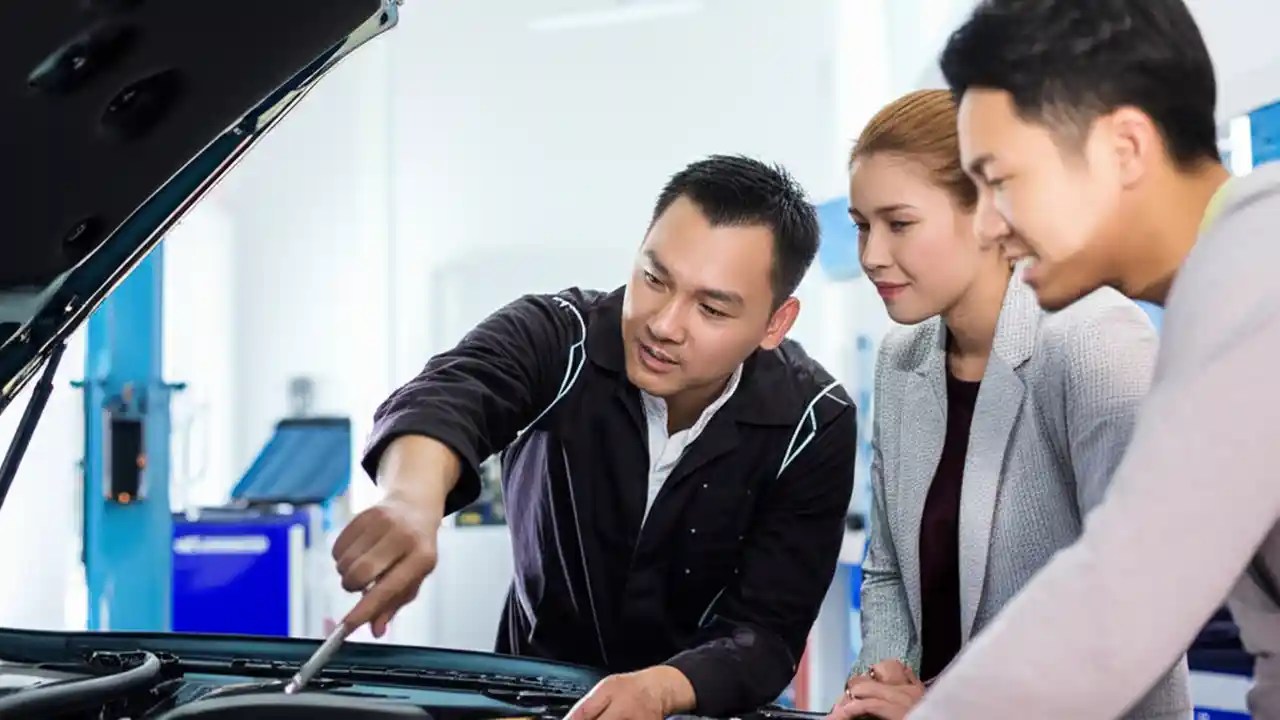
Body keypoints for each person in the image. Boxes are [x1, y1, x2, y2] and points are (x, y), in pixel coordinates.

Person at [331, 154, 858, 719]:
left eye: (710, 308)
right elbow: (452, 392)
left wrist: (658, 691)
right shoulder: (560, 337)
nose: (663, 325)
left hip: (692, 710)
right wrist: (412, 501)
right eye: (654, 279)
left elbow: (767, 631)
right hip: (531, 701)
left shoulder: (813, 421)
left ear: (775, 323)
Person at [903, 0, 1280, 717]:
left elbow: (1117, 603)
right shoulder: (1228, 277)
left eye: (999, 180)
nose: (986, 225)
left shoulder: (1258, 269)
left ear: (1124, 148)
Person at [825, 89, 1189, 720]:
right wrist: (880, 688)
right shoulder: (901, 357)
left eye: (899, 224)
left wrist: (948, 706)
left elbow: (1138, 605)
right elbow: (886, 573)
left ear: (990, 213)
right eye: (862, 226)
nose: (872, 256)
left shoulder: (1093, 339)